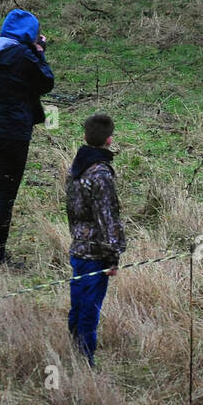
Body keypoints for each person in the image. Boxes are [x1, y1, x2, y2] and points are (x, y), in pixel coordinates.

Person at [0, 9, 55, 267]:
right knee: (6, 195)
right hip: (13, 133)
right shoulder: (25, 55)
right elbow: (46, 82)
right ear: (28, 33)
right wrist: (39, 52)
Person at [65, 113, 127, 368]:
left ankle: (74, 349)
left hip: (77, 248)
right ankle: (85, 362)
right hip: (94, 256)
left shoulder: (75, 168)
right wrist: (112, 256)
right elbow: (107, 218)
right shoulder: (101, 175)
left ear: (85, 137)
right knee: (89, 310)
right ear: (110, 140)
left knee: (78, 304)